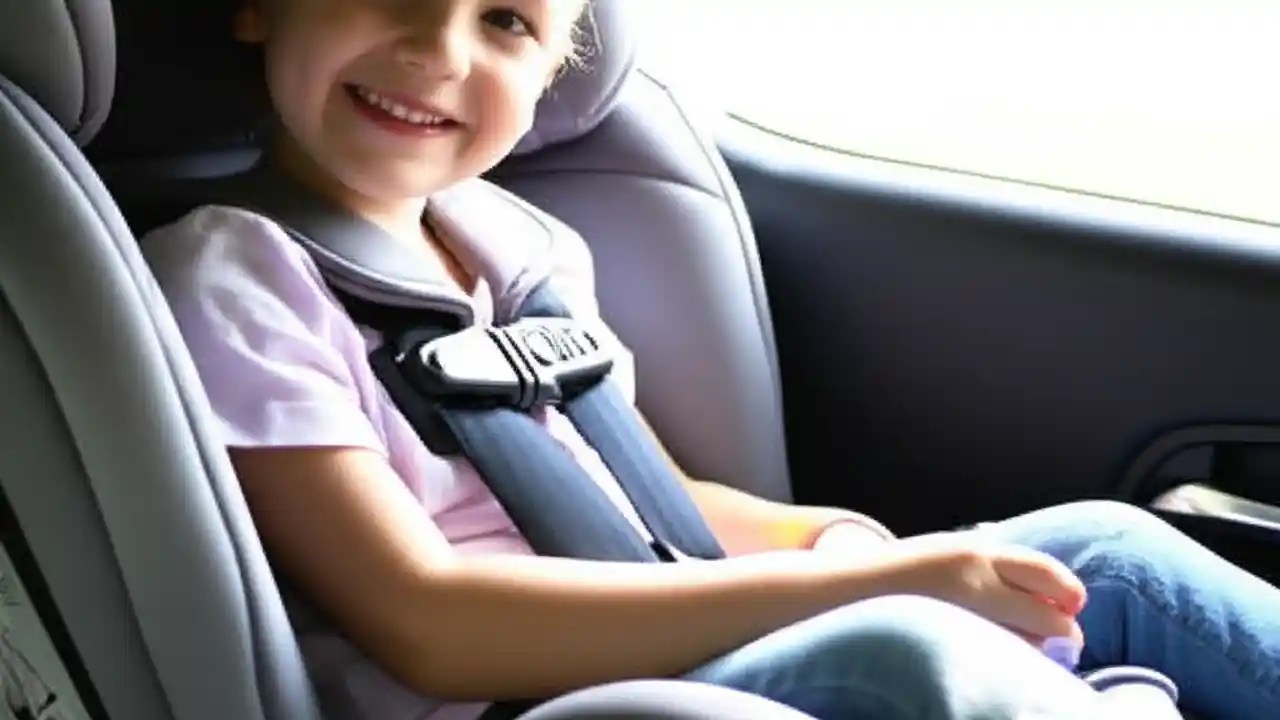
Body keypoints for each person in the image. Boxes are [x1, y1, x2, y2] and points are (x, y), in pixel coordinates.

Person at [139, 1, 1280, 718]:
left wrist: (830, 538)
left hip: (652, 636)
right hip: (519, 696)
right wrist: (871, 585)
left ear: (554, 71)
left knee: (1106, 552)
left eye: (505, 22)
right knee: (904, 645)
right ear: (257, 6)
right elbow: (428, 621)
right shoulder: (235, 276)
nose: (435, 49)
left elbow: (639, 501)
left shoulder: (516, 248)